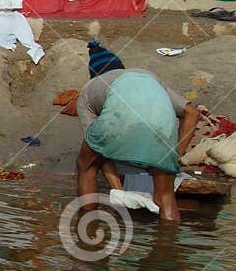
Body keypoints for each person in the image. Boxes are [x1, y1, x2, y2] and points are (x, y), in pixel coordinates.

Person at [74, 41, 203, 224]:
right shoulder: (146, 76)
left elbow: (99, 148)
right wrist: (174, 156)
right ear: (121, 67)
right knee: (166, 195)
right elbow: (192, 112)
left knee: (86, 165)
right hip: (162, 120)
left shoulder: (89, 89)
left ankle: (89, 223)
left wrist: (119, 192)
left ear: (93, 75)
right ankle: (168, 244)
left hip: (121, 119)